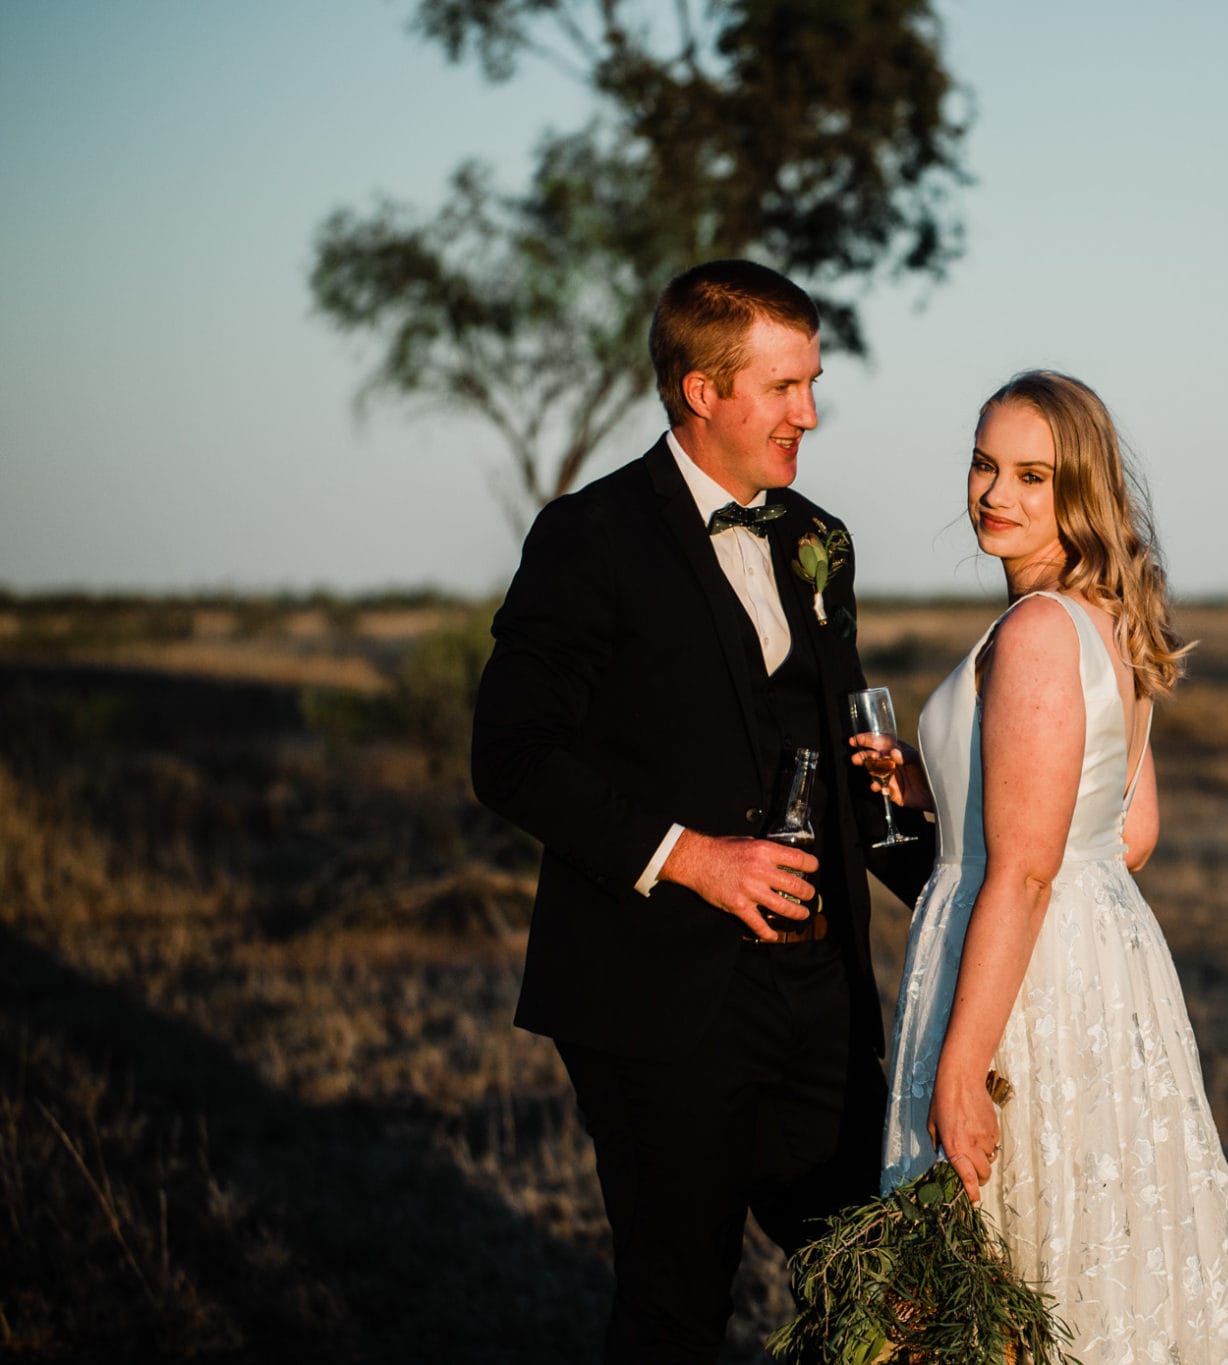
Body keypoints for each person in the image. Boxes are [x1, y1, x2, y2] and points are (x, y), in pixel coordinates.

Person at [471, 259, 933, 1363]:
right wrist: (691, 859)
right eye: (782, 388)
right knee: (677, 1309)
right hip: (653, 992)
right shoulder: (589, 537)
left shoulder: (819, 539)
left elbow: (840, 766)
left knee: (888, 1286)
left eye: (811, 383)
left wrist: (968, 890)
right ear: (700, 390)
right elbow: (511, 757)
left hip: (818, 992)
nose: (807, 414)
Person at [852, 371, 1228, 1363]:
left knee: (982, 1278)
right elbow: (1127, 832)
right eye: (983, 464)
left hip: (1022, 980)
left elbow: (1026, 872)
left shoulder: (1040, 629)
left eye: (1030, 476)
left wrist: (960, 1067)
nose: (993, 494)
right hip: (1096, 970)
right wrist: (939, 785)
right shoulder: (1107, 621)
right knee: (1085, 1257)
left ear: (1077, 492)